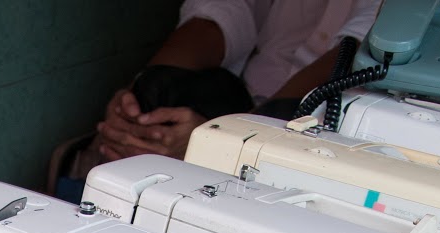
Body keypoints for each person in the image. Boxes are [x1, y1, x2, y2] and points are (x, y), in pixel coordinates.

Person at [82, 0, 379, 169]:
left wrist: (219, 142)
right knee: (154, 95)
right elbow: (226, 10)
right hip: (238, 99)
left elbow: (360, 51)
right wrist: (139, 99)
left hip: (318, 132)